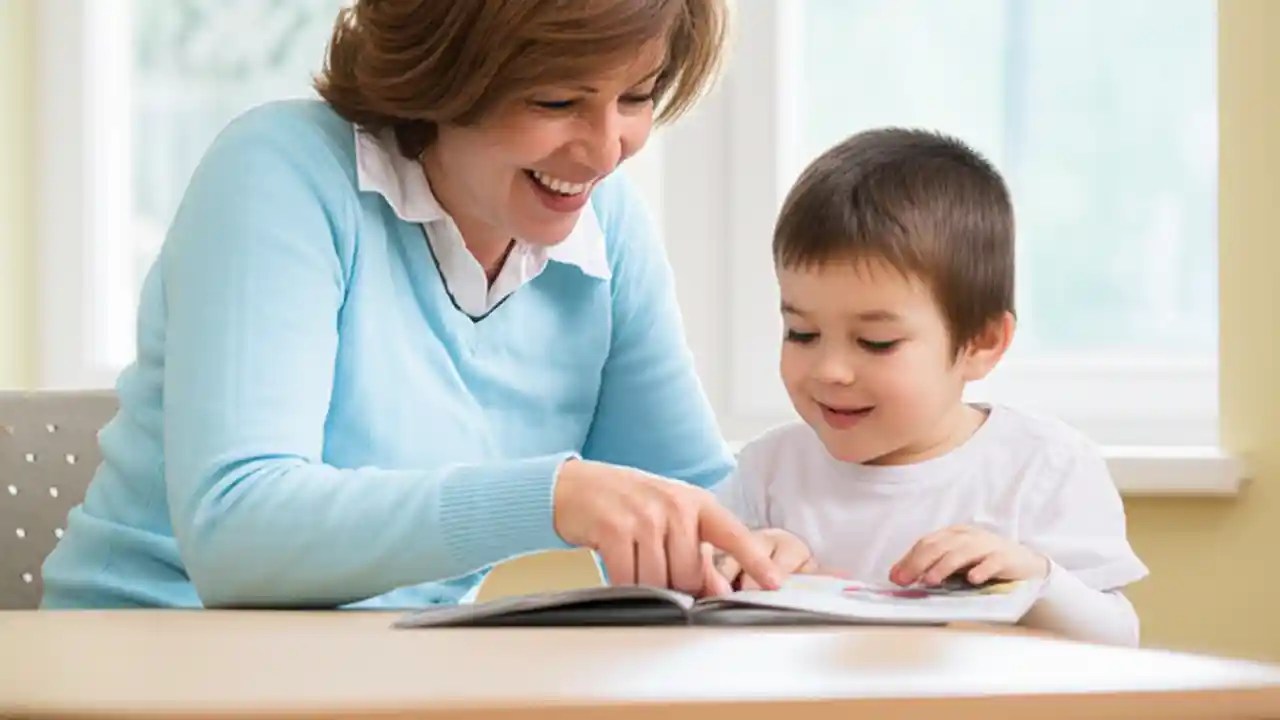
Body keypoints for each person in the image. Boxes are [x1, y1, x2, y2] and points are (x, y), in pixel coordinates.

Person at [41, 0, 779, 609]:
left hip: (380, 675)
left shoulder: (608, 228)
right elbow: (237, 533)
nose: (605, 150)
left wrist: (767, 542)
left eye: (636, 98)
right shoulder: (279, 172)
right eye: (556, 101)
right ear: (446, 75)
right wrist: (552, 497)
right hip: (150, 660)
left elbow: (699, 497)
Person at [711, 128, 1149, 645]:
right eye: (801, 333)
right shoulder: (768, 472)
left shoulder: (1043, 467)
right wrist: (738, 570)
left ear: (981, 343)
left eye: (875, 342)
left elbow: (1118, 639)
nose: (830, 370)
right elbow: (699, 618)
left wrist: (1037, 581)